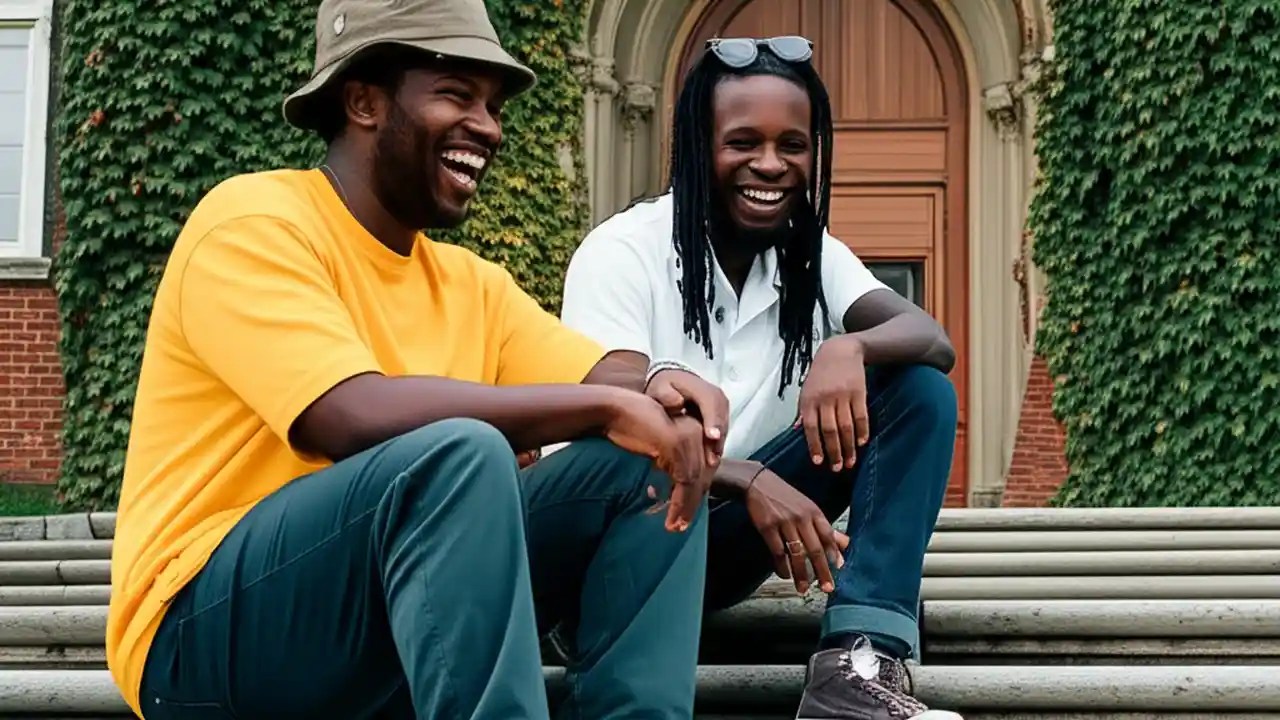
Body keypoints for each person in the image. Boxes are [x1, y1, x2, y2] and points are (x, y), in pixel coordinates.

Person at [105, 1, 723, 718]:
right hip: (197, 635)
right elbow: (348, 416)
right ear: (363, 101)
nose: (489, 127)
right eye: (457, 95)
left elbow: (608, 381)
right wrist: (612, 407)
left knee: (643, 465)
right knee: (457, 454)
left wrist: (661, 386)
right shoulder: (254, 223)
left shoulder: (470, 284)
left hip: (377, 625)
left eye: (492, 107)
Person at [559, 36, 963, 720]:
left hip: (725, 545)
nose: (771, 165)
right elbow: (614, 412)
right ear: (697, 147)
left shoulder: (811, 255)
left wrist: (849, 349)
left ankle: (857, 661)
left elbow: (931, 338)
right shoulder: (623, 251)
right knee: (642, 462)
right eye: (743, 141)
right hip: (624, 543)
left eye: (793, 145)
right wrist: (745, 478)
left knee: (918, 389)